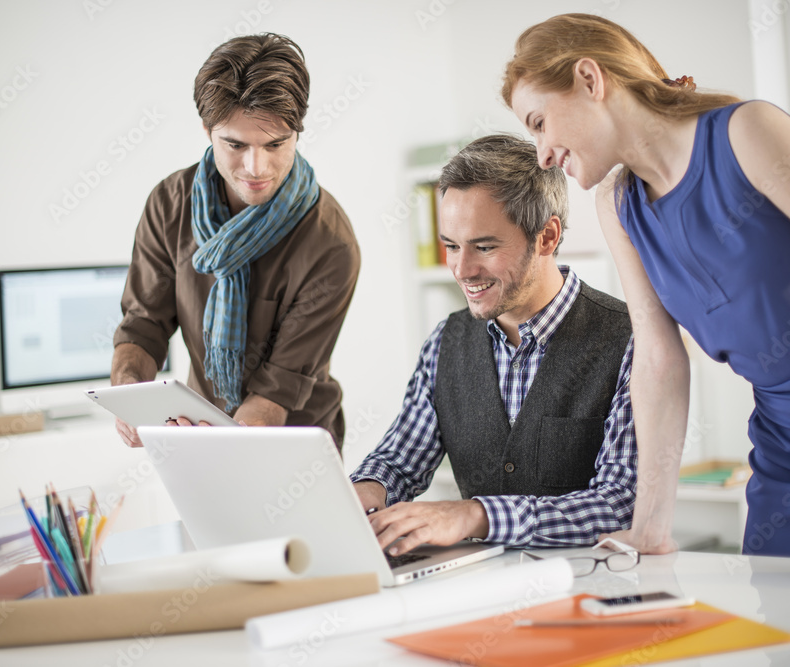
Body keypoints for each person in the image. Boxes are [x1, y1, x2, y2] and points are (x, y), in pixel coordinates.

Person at [503, 13, 790, 560]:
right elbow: (657, 359)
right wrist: (650, 526)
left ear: (589, 78)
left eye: (538, 122)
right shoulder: (618, 205)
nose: (542, 154)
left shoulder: (748, 132)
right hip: (789, 461)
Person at [350, 134, 637, 556]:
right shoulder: (445, 343)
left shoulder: (627, 338)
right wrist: (364, 492)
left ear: (547, 236)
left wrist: (474, 516)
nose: (462, 269)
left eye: (484, 247)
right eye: (451, 246)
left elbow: (620, 504)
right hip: (481, 594)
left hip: (594, 593)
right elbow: (398, 459)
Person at [111, 33, 360, 448]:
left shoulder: (331, 244)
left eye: (275, 144)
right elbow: (142, 327)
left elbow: (273, 397)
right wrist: (131, 396)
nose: (256, 167)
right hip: (198, 429)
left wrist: (220, 442)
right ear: (207, 130)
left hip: (295, 443)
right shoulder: (169, 205)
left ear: (298, 131)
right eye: (235, 144)